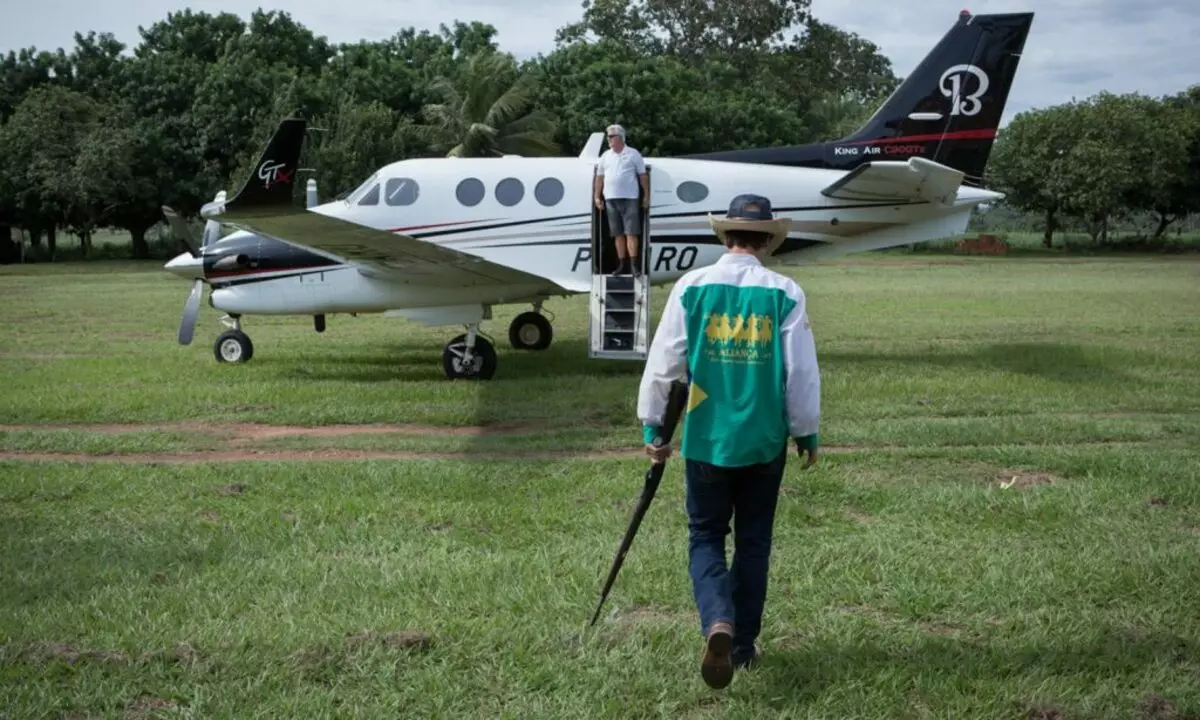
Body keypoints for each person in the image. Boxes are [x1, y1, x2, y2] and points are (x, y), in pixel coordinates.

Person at [636, 193, 821, 690]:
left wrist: (653, 427)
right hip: (763, 441)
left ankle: (717, 619)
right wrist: (806, 430)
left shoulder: (691, 286)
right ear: (766, 241)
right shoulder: (785, 291)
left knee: (705, 536)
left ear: (726, 237)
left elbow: (665, 363)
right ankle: (741, 646)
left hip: (705, 439)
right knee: (754, 543)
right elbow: (799, 372)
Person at [593, 124, 649, 275]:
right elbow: (600, 178)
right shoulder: (605, 156)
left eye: (611, 137)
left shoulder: (633, 154)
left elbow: (643, 176)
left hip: (630, 198)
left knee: (631, 232)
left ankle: (634, 265)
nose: (609, 140)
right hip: (611, 198)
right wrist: (597, 196)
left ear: (619, 138)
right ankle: (622, 264)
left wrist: (646, 196)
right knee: (617, 234)